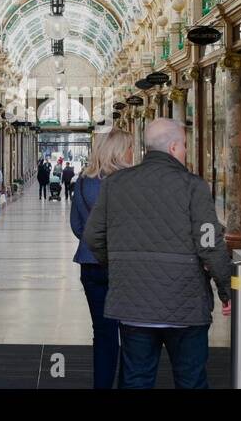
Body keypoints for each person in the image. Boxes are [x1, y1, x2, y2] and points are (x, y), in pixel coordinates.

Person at [83, 118, 232, 389]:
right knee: (191, 380)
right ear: (174, 147)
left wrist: (119, 265)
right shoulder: (194, 186)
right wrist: (226, 289)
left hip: (133, 304)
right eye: (185, 146)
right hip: (185, 305)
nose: (185, 151)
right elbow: (210, 244)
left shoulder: (115, 184)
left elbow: (93, 237)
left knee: (136, 379)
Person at [70, 129, 133, 389]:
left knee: (103, 333)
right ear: (120, 151)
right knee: (131, 335)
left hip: (91, 265)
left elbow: (76, 225)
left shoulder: (84, 181)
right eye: (130, 148)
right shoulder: (129, 181)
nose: (133, 153)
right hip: (124, 266)